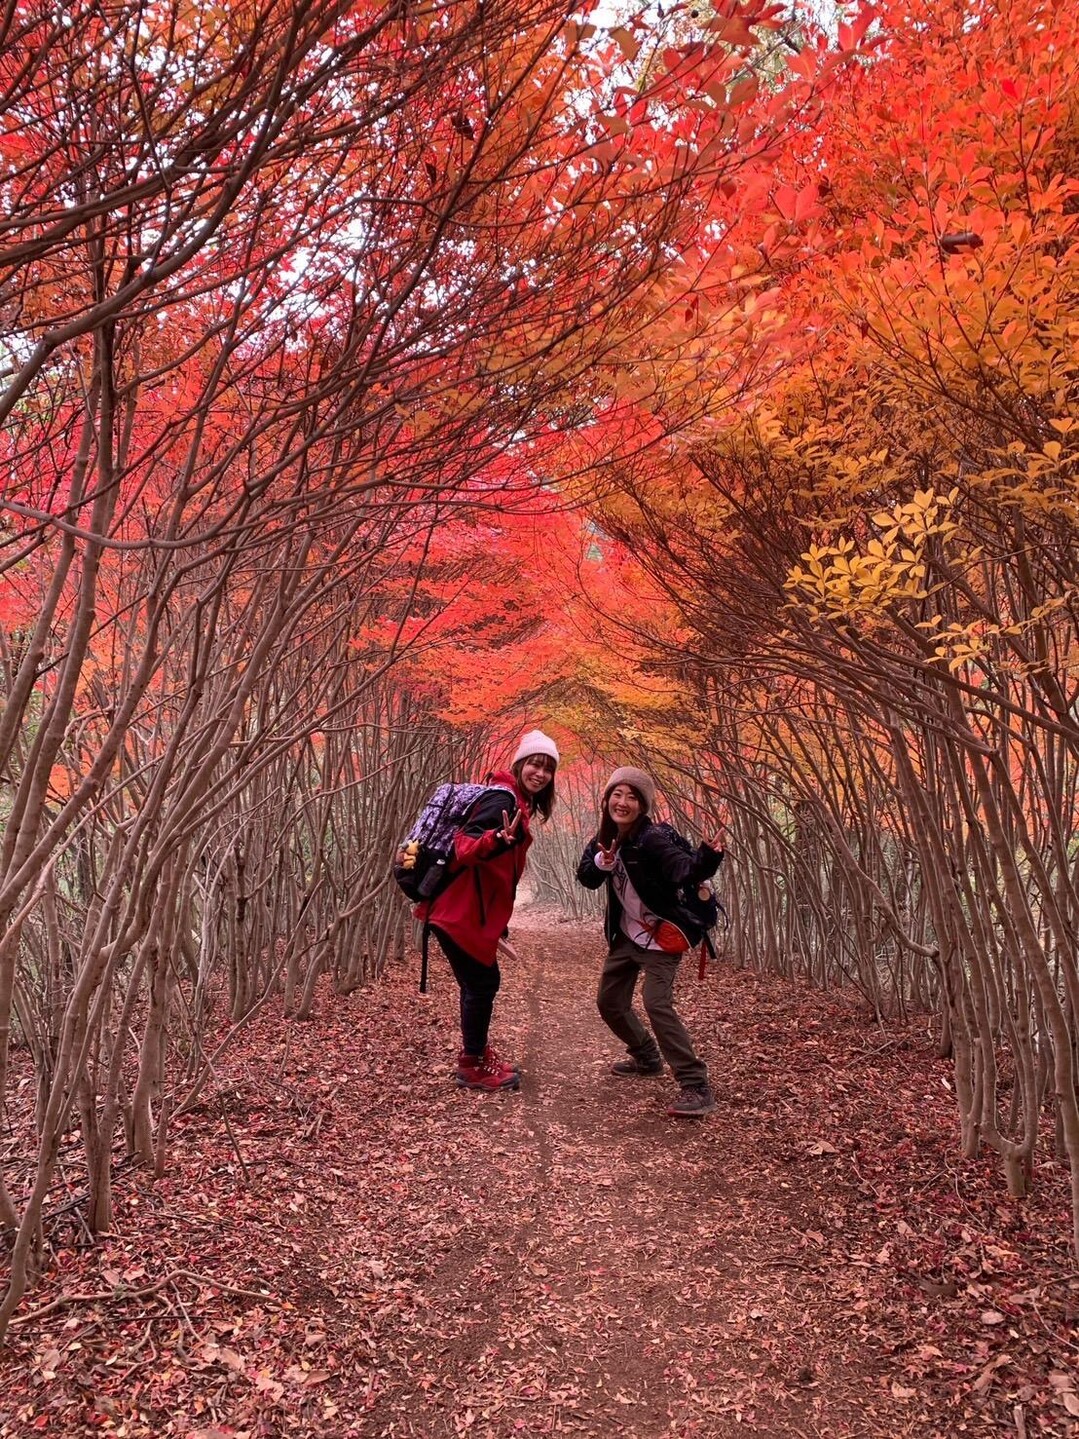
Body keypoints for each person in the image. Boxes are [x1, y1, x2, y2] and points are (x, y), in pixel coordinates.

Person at [576, 766, 723, 1119]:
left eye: (632, 797)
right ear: (607, 799)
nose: (622, 802)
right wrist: (602, 861)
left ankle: (695, 1084)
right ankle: (646, 1055)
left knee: (656, 1003)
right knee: (609, 1002)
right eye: (617, 794)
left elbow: (683, 869)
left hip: (661, 937)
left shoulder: (652, 838)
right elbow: (586, 877)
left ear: (642, 806)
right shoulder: (602, 837)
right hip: (626, 937)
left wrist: (707, 856)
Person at [418, 729, 558, 1091]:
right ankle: (472, 1064)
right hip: (457, 911)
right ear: (519, 764)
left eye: (547, 768)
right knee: (482, 983)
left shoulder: (516, 803)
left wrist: (499, 925)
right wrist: (498, 839)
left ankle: (476, 1054)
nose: (540, 773)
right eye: (534, 764)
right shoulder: (502, 800)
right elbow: (464, 848)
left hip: (468, 911)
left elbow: (498, 877)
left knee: (479, 983)